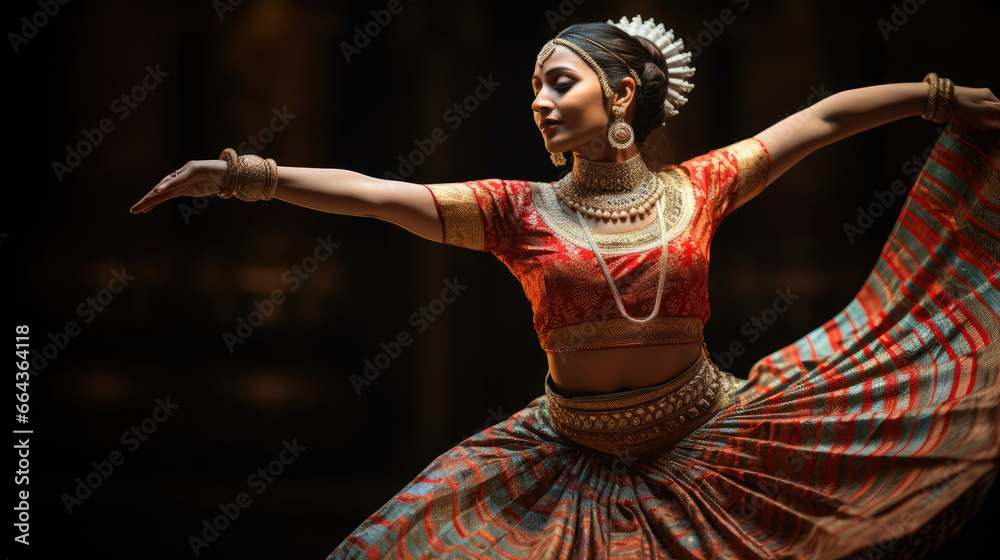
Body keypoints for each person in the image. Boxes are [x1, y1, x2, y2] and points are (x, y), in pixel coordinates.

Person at [130, 13, 1000, 560]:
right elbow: (374, 196)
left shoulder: (698, 187)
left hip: (709, 444)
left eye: (559, 81)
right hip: (564, 460)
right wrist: (248, 175)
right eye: (535, 87)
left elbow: (825, 117)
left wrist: (941, 96)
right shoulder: (517, 211)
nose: (540, 103)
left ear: (620, 91)